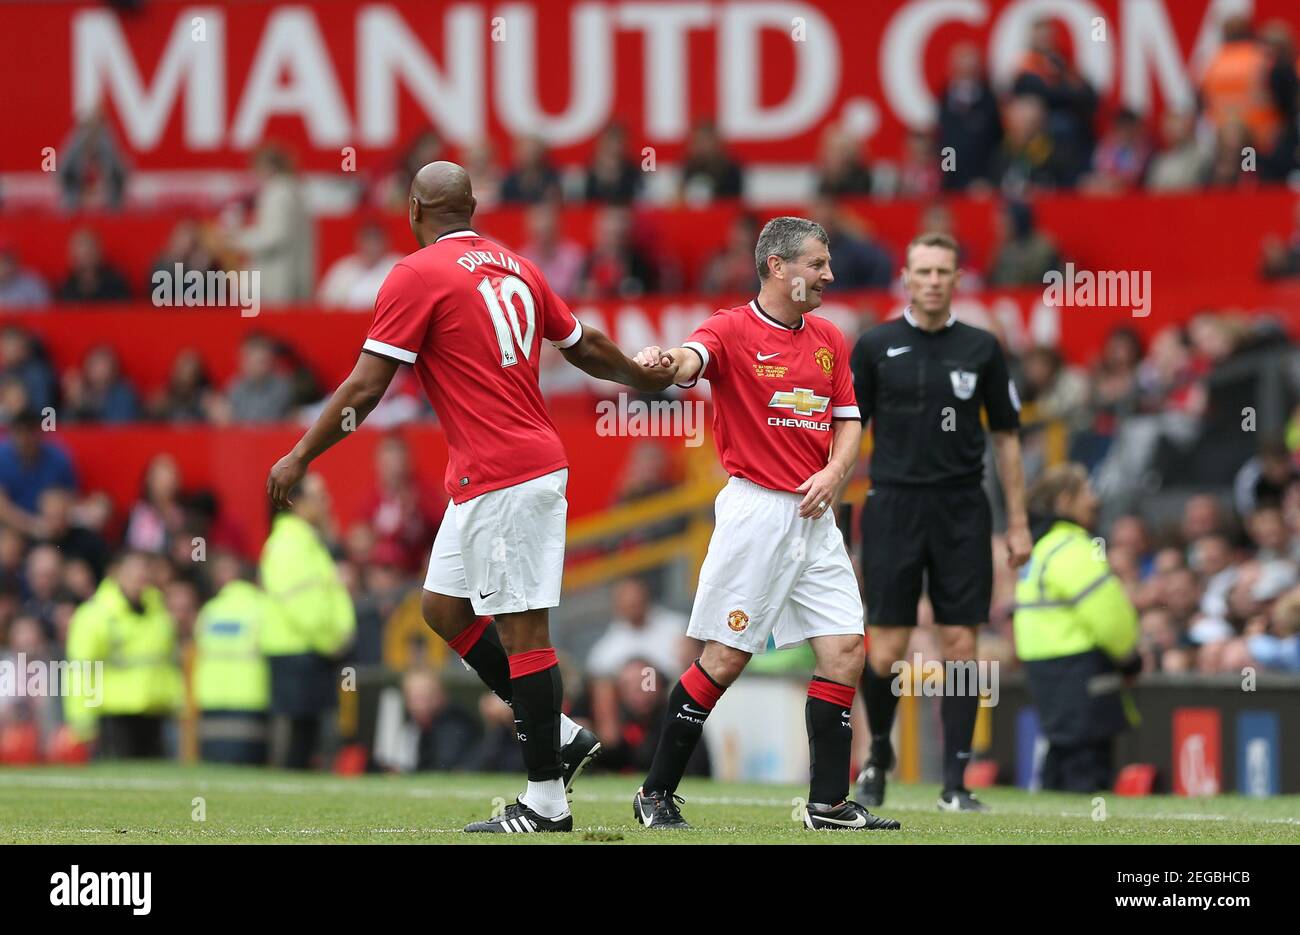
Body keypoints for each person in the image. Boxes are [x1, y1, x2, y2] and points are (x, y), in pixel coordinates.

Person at [267, 160, 672, 833]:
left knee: (524, 629)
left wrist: (301, 452)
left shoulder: (416, 273)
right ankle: (562, 735)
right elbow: (583, 344)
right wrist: (639, 374)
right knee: (443, 607)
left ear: (414, 210)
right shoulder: (517, 266)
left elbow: (368, 387)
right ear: (474, 205)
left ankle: (547, 801)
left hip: (508, 473)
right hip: (496, 471)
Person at [630, 216, 901, 832]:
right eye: (817, 263)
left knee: (845, 650)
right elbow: (689, 358)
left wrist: (835, 475)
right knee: (725, 659)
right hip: (757, 512)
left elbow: (850, 420)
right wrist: (662, 358)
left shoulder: (829, 336)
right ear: (778, 267)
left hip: (816, 510)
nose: (830, 274)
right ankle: (655, 792)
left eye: (828, 263)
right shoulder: (730, 330)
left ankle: (827, 804)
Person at [850, 231, 1030, 812]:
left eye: (942, 272)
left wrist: (1020, 523)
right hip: (892, 505)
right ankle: (878, 751)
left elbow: (1006, 437)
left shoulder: (981, 348)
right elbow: (848, 428)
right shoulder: (875, 346)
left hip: (961, 509)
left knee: (959, 642)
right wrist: (829, 490)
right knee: (887, 649)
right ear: (905, 277)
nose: (932, 281)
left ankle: (954, 782)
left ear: (957, 280)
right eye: (922, 271)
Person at [1014, 464, 1140, 792]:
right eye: (1087, 490)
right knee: (1087, 767)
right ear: (1065, 500)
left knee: (1062, 754)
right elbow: (1108, 615)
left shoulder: (1040, 548)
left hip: (1047, 668)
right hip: (1079, 668)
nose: (1094, 499)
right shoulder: (1071, 547)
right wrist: (1129, 656)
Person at [260, 473, 355, 769]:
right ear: (297, 503)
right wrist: (333, 641)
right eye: (319, 496)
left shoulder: (305, 542)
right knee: (298, 742)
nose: (327, 503)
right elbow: (301, 606)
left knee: (306, 740)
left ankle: (291, 806)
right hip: (299, 652)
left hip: (307, 651)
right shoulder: (291, 544)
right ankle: (285, 806)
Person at [63, 551, 182, 757]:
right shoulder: (94, 615)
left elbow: (167, 662)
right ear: (117, 573)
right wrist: (82, 719)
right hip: (113, 714)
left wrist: (177, 701)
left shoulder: (159, 611)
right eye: (134, 573)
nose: (140, 580)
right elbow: (80, 670)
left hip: (155, 710)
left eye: (145, 574)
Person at [194, 552, 273, 765]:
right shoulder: (263, 607)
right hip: (250, 698)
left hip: (211, 699)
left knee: (214, 770)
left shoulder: (210, 610)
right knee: (248, 772)